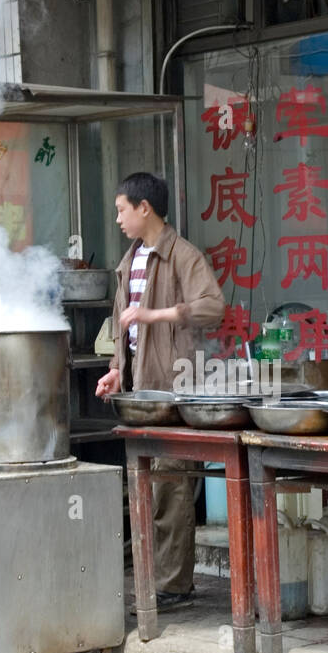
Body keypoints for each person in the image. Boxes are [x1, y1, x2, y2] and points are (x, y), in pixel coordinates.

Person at [96, 172, 225, 609]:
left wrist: (155, 314)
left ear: (144, 208)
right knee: (147, 490)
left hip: (174, 389)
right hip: (138, 393)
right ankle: (156, 579)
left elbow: (213, 308)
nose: (118, 219)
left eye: (121, 210)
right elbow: (123, 329)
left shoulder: (182, 255)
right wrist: (116, 370)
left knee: (171, 489)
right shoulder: (129, 260)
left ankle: (174, 586)